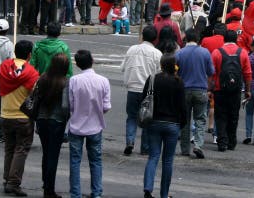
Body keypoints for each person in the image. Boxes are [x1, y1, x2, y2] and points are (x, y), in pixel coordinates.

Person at [142, 54, 187, 198]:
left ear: (161, 65)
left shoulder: (153, 79)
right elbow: (183, 106)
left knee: (153, 156)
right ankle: (164, 194)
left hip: (154, 121)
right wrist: (182, 123)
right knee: (168, 160)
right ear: (174, 65)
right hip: (172, 123)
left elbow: (144, 98)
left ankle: (148, 188)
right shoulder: (178, 82)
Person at [67, 49, 111, 198]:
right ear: (92, 60)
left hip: (76, 127)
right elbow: (106, 107)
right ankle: (97, 192)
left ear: (78, 64)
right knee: (96, 161)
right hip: (95, 126)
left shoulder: (73, 80)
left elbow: (70, 106)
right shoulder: (103, 80)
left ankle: (75, 193)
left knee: (75, 161)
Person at [0, 39, 39, 197]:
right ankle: (13, 182)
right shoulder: (31, 73)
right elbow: (33, 95)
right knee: (21, 150)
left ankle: (7, 178)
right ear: (29, 55)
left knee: (9, 149)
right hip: (22, 117)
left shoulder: (4, 67)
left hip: (5, 114)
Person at [121, 25, 162, 156]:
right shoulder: (157, 53)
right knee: (147, 118)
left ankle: (130, 141)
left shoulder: (132, 49)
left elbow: (123, 67)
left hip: (132, 88)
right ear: (155, 39)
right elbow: (159, 72)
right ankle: (145, 147)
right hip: (149, 90)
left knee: (132, 117)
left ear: (142, 36)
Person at [210, 29, 252, 152]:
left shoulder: (217, 52)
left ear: (224, 39)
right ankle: (232, 142)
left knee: (220, 116)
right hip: (236, 89)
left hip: (219, 89)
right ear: (235, 40)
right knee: (233, 116)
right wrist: (248, 90)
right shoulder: (243, 53)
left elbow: (212, 73)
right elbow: (248, 73)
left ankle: (222, 141)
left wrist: (210, 89)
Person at [175, 28, 214, 158]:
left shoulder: (180, 53)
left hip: (184, 90)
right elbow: (210, 73)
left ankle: (185, 148)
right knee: (200, 119)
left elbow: (175, 72)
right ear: (198, 39)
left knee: (184, 120)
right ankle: (197, 145)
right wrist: (209, 88)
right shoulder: (205, 53)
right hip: (201, 89)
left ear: (186, 38)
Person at [36, 53, 70, 198]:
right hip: (57, 122)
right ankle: (49, 189)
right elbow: (65, 107)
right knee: (53, 156)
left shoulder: (43, 78)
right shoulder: (64, 82)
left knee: (46, 153)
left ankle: (46, 183)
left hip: (42, 119)